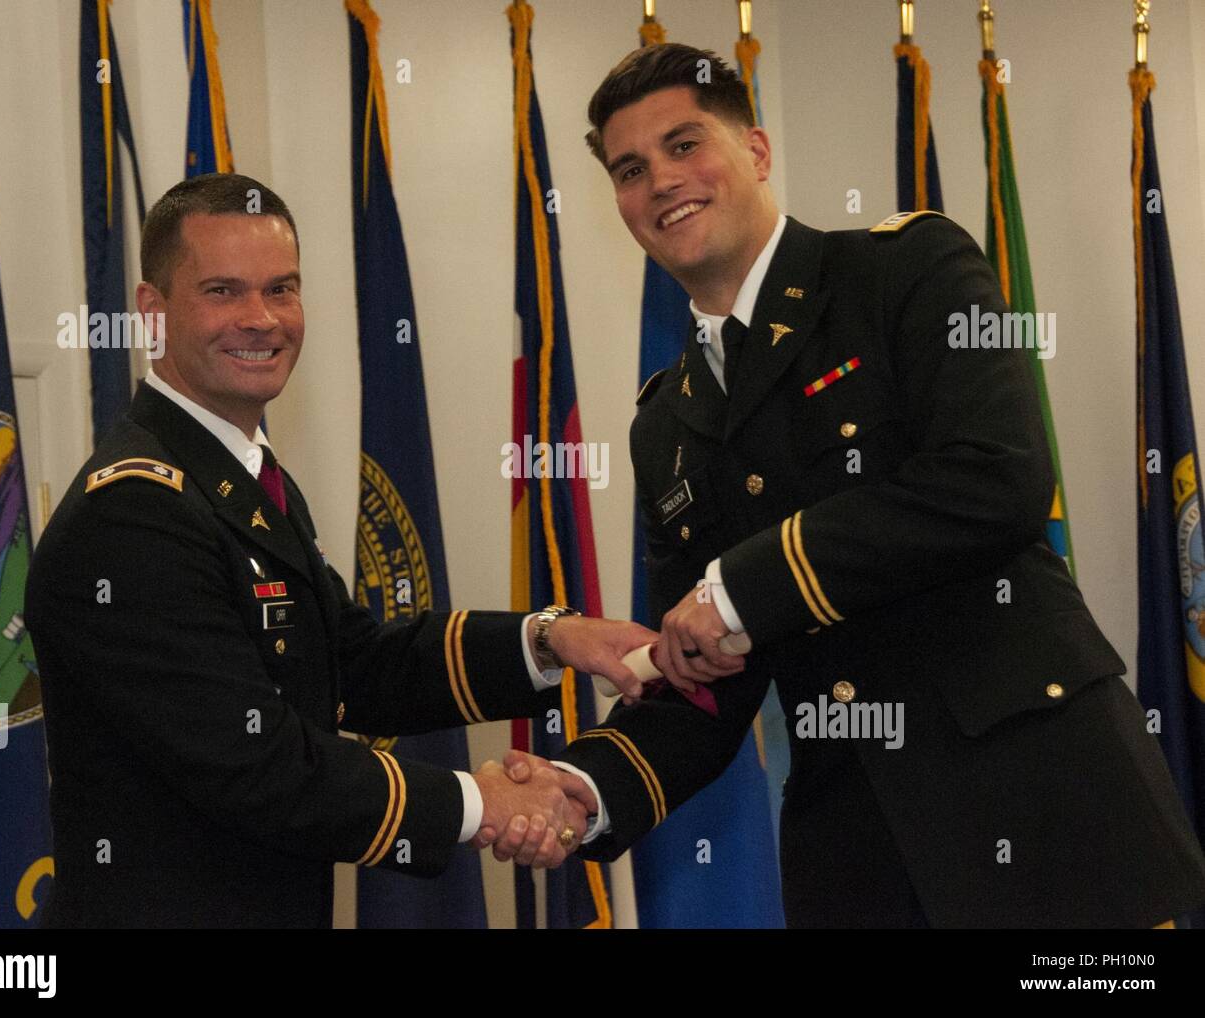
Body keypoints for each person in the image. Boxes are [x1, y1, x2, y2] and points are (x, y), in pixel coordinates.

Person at [493, 44, 1205, 928]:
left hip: (1044, 814)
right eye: (631, 170)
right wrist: (581, 788)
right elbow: (702, 680)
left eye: (685, 145)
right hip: (859, 860)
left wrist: (744, 585)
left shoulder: (904, 269)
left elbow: (999, 476)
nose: (662, 182)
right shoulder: (664, 424)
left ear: (755, 150)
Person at [25, 173, 653, 928]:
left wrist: (550, 639)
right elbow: (258, 766)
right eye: (223, 291)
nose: (260, 319)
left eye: (281, 289)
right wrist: (480, 801)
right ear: (153, 313)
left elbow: (355, 664)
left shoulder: (241, 475)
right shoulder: (134, 512)